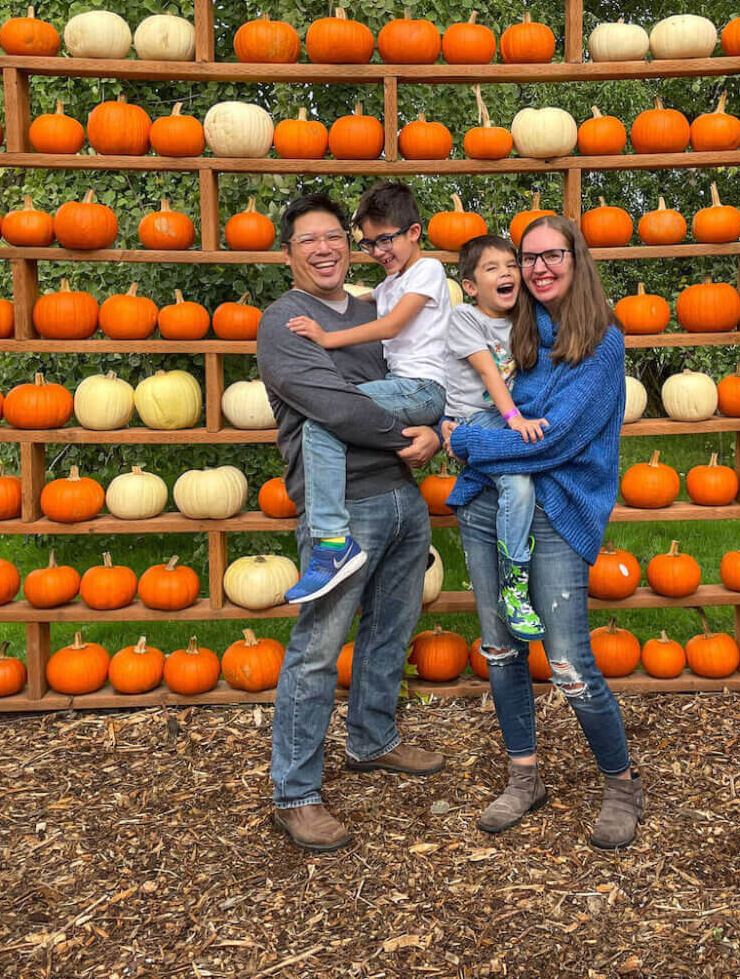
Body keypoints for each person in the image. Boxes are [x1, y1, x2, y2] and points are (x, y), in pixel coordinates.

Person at [444, 214, 643, 850]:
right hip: (487, 504)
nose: (538, 268)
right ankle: (523, 775)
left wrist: (465, 443)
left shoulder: (601, 342)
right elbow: (489, 407)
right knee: (500, 647)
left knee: (567, 659)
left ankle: (620, 785)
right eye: (528, 258)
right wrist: (485, 439)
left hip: (558, 510)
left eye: (551, 255)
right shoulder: (512, 332)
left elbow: (553, 439)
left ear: (575, 258)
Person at [257, 191, 443, 853]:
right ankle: (297, 793)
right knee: (317, 649)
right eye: (307, 240)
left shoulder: (376, 310)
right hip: (342, 509)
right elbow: (329, 405)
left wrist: (436, 434)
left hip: (401, 497)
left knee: (391, 630)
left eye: (333, 235)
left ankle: (372, 739)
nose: (324, 248)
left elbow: (426, 375)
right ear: (289, 255)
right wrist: (409, 435)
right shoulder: (285, 322)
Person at [284, 182, 451, 605]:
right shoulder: (394, 280)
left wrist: (326, 337)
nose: (378, 251)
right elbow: (364, 299)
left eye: (386, 240)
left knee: (322, 426)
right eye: (369, 243)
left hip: (421, 389)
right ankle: (340, 540)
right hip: (408, 391)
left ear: (414, 232)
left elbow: (390, 326)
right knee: (328, 422)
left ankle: (333, 543)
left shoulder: (428, 270)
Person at [443, 234, 548, 640]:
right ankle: (514, 589)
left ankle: (484, 473)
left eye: (510, 265)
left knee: (525, 477)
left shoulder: (526, 318)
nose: (505, 274)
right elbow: (489, 371)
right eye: (492, 269)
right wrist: (515, 419)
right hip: (475, 419)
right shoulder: (466, 318)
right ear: (470, 286)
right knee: (519, 485)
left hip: (504, 419)